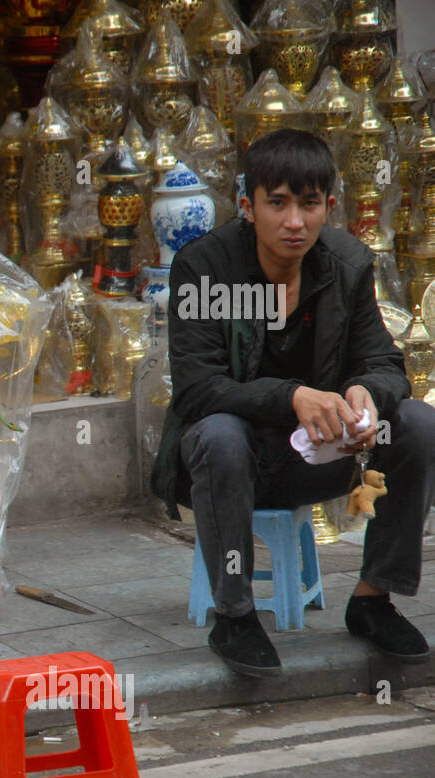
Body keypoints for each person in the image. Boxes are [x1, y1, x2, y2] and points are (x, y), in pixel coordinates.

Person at [151, 128, 435, 677]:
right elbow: (195, 386)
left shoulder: (347, 264)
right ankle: (234, 616)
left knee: (418, 423)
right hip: (227, 466)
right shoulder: (204, 268)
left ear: (328, 207)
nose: (294, 221)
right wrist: (294, 396)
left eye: (308, 204)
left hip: (326, 461)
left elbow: (383, 362)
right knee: (219, 432)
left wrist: (364, 395)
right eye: (276, 203)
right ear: (247, 206)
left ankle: (373, 599)